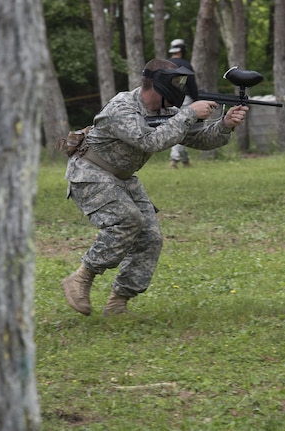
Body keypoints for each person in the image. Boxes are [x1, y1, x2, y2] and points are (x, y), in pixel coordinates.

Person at [61, 58, 249, 317]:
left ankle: (117, 303)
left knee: (150, 238)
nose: (181, 88)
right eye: (176, 83)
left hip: (123, 177)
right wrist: (189, 113)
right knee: (127, 221)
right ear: (157, 84)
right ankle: (80, 278)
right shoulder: (122, 107)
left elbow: (199, 139)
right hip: (90, 172)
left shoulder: (165, 113)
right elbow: (150, 141)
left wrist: (225, 124)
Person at [167, 39, 199, 169]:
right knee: (181, 128)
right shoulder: (185, 64)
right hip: (184, 100)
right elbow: (191, 85)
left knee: (181, 129)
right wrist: (197, 100)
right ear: (182, 50)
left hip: (168, 100)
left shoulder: (166, 64)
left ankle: (184, 160)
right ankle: (174, 159)